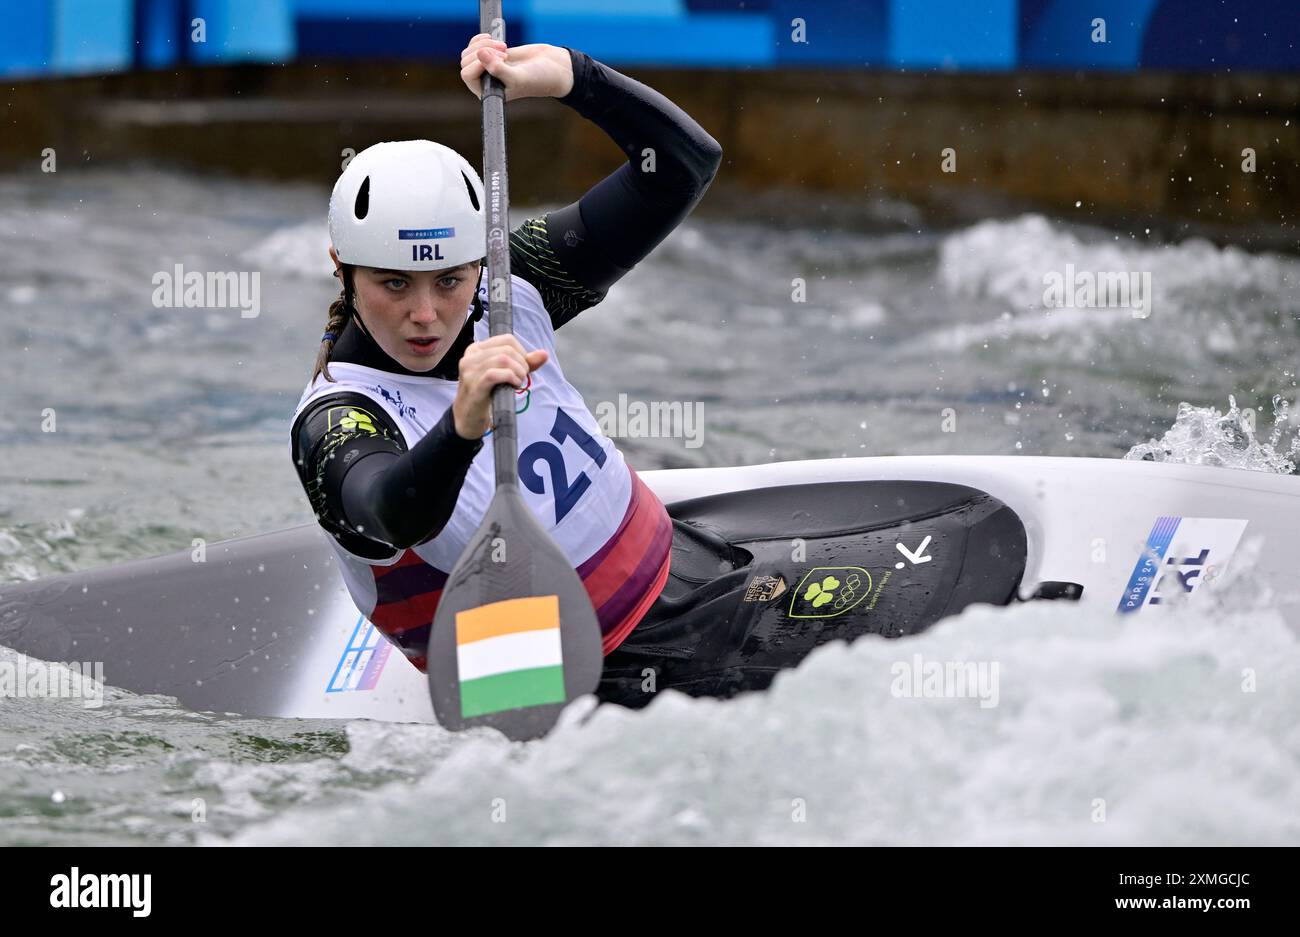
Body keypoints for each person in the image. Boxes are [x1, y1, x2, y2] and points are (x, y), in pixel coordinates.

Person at [290, 34, 726, 705]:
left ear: (477, 262)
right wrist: (461, 428)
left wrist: (573, 79)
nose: (428, 315)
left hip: (693, 570)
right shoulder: (335, 417)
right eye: (394, 285)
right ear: (340, 269)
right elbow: (389, 512)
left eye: (449, 279)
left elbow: (684, 165)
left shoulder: (511, 283)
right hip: (589, 679)